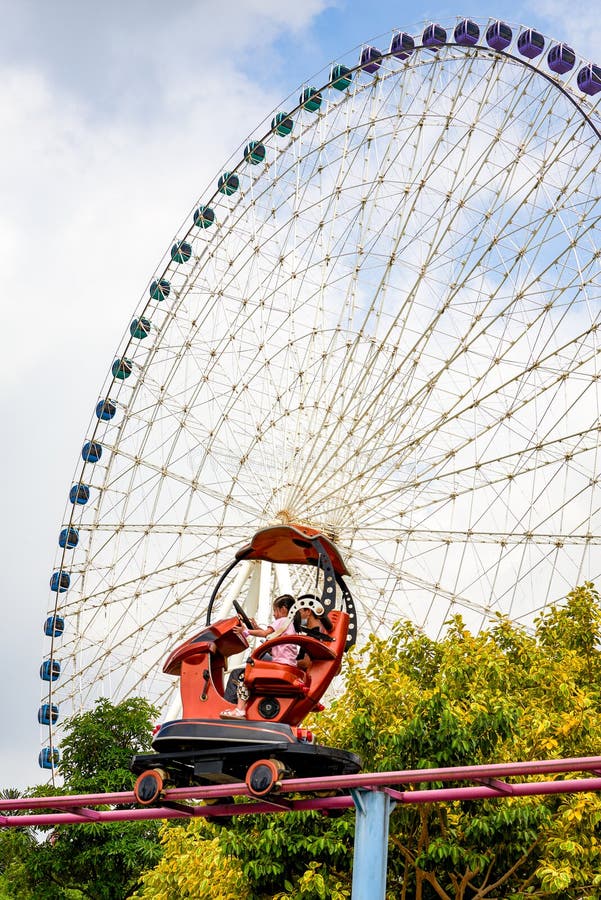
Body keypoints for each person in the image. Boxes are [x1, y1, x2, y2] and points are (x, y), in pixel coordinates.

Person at [220, 595, 300, 719]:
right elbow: (269, 635)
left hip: (279, 666)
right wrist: (256, 629)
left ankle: (239, 710)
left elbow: (265, 634)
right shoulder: (290, 625)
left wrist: (245, 631)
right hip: (289, 665)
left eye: (275, 610)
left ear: (283, 609)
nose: (274, 614)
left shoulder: (282, 621)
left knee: (244, 677)